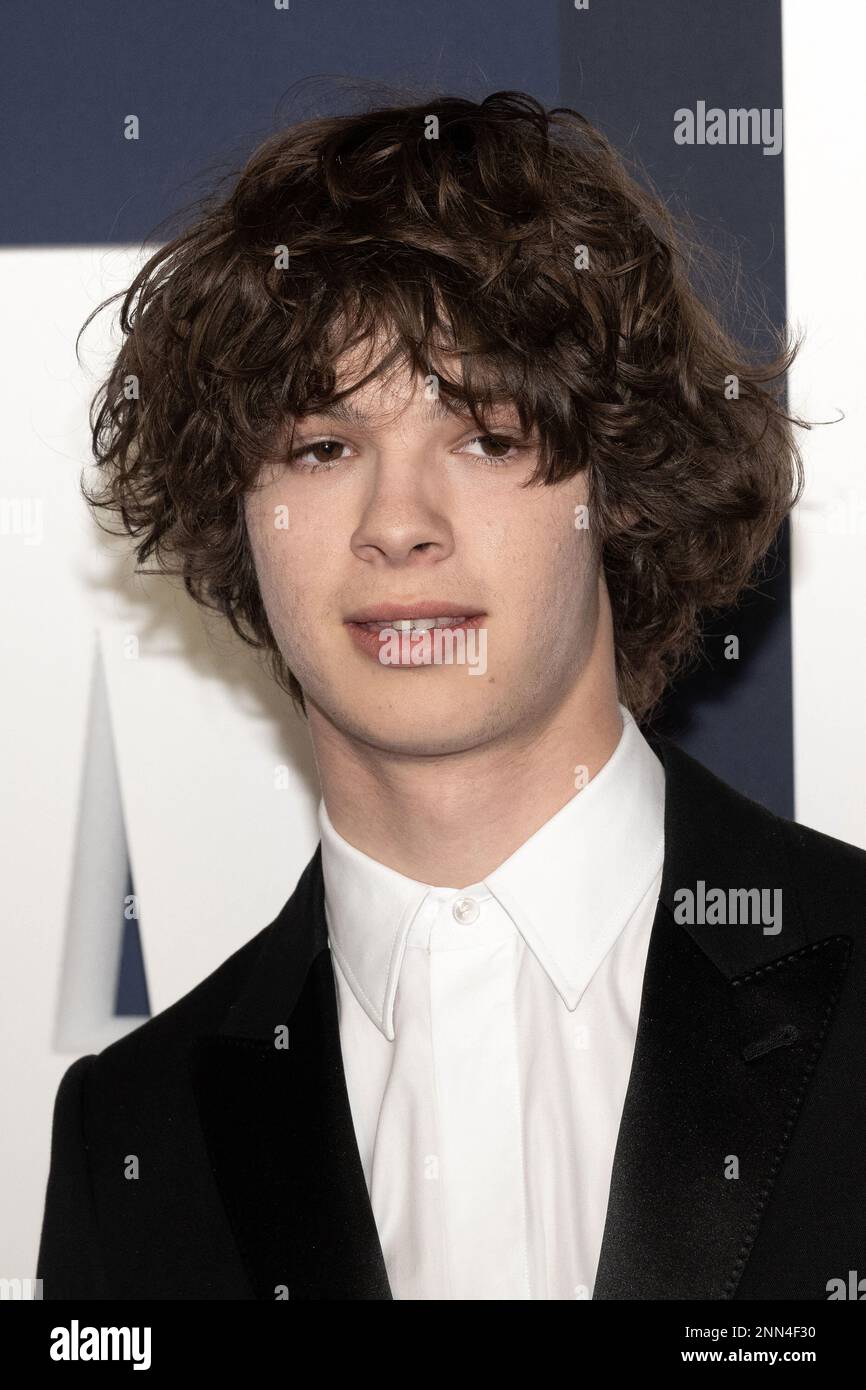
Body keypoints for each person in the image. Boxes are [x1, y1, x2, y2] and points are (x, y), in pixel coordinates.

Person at [37, 90, 866, 1300]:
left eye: (484, 435)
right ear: (239, 516)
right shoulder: (134, 1136)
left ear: (620, 484)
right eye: (323, 446)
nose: (397, 525)